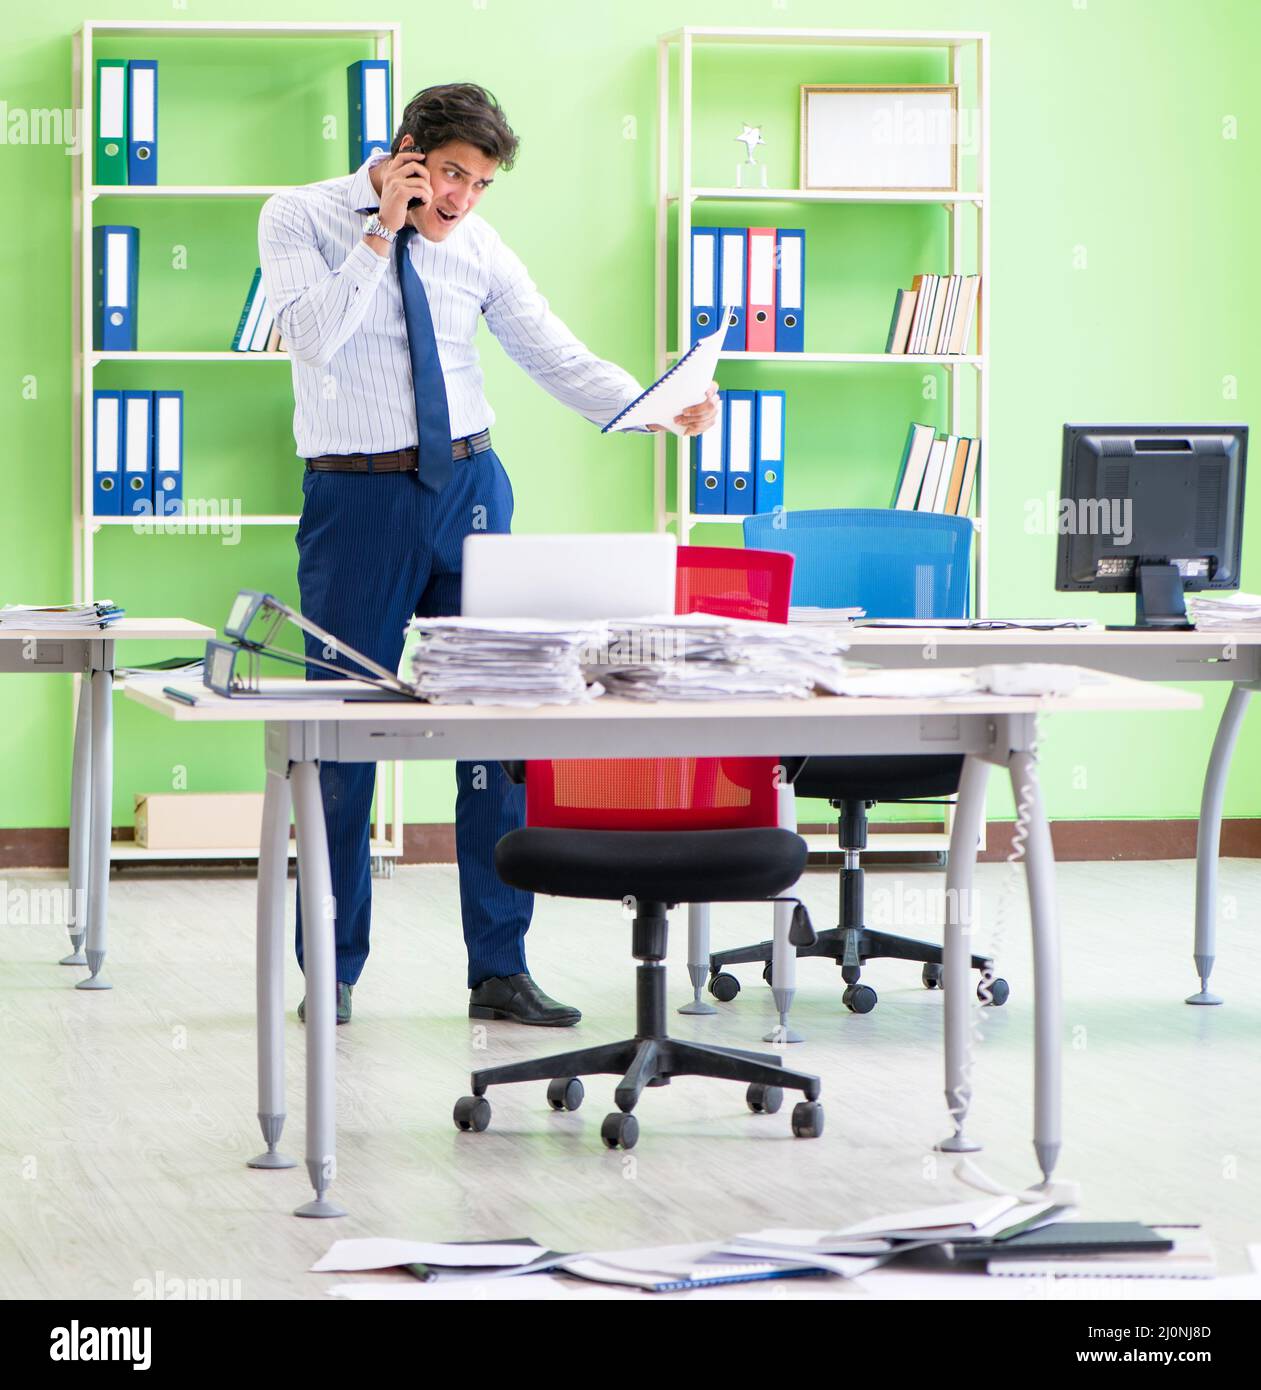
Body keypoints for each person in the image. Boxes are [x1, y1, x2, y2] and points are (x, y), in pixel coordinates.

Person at [258, 82, 717, 1026]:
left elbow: (551, 351)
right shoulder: (299, 216)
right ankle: (331, 971)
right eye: (451, 175)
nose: (462, 199)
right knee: (339, 737)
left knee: (499, 729)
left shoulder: (478, 246)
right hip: (355, 499)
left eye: (480, 184)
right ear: (405, 152)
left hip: (469, 488)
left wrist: (651, 407)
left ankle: (499, 968)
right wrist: (379, 234)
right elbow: (306, 340)